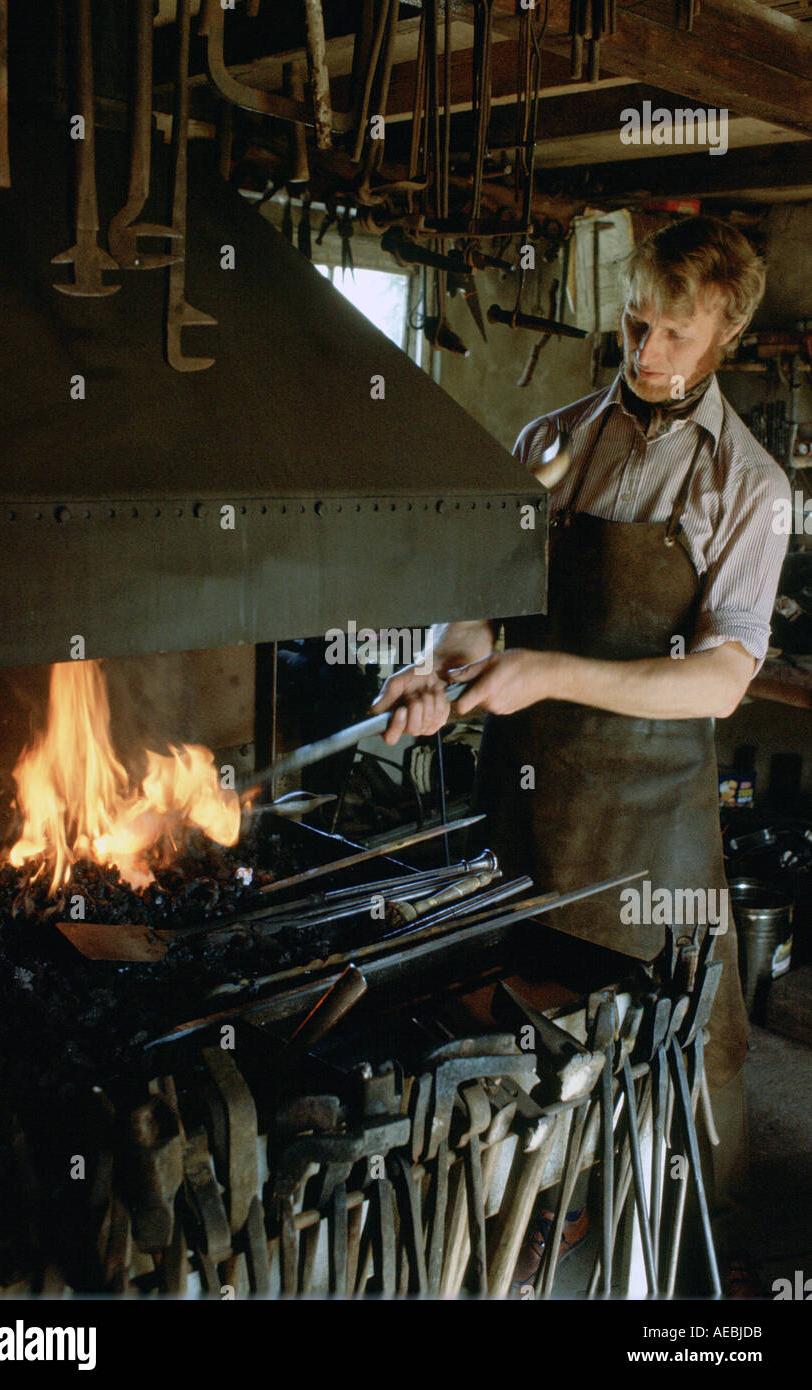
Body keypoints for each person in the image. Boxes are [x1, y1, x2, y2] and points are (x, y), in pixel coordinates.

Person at [373, 216, 791, 1295]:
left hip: (650, 828)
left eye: (672, 333)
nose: (644, 349)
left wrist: (550, 672)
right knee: (508, 1040)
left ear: (725, 337)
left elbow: (719, 678)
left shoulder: (746, 486)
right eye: (635, 320)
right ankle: (512, 1246)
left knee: (666, 1066)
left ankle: (680, 1282)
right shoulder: (551, 439)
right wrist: (439, 664)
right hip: (522, 804)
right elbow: (484, 608)